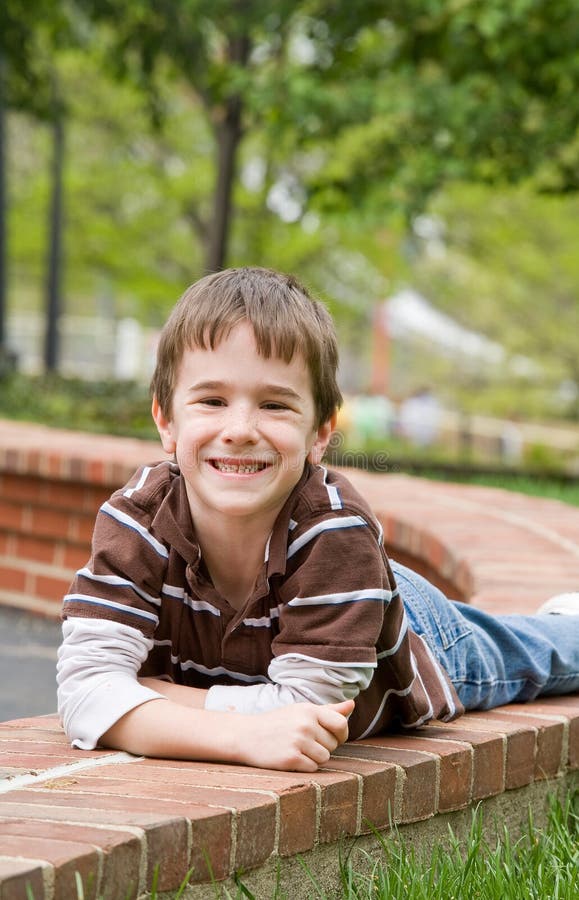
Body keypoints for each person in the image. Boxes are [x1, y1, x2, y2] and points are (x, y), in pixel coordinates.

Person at [56, 267, 579, 773]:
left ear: (321, 433)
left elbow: (305, 717)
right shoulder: (138, 519)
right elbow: (82, 694)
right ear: (166, 421)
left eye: (275, 406)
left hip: (404, 633)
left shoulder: (335, 530)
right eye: (211, 400)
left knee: (537, 656)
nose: (239, 429)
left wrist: (144, 697)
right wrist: (241, 735)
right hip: (333, 607)